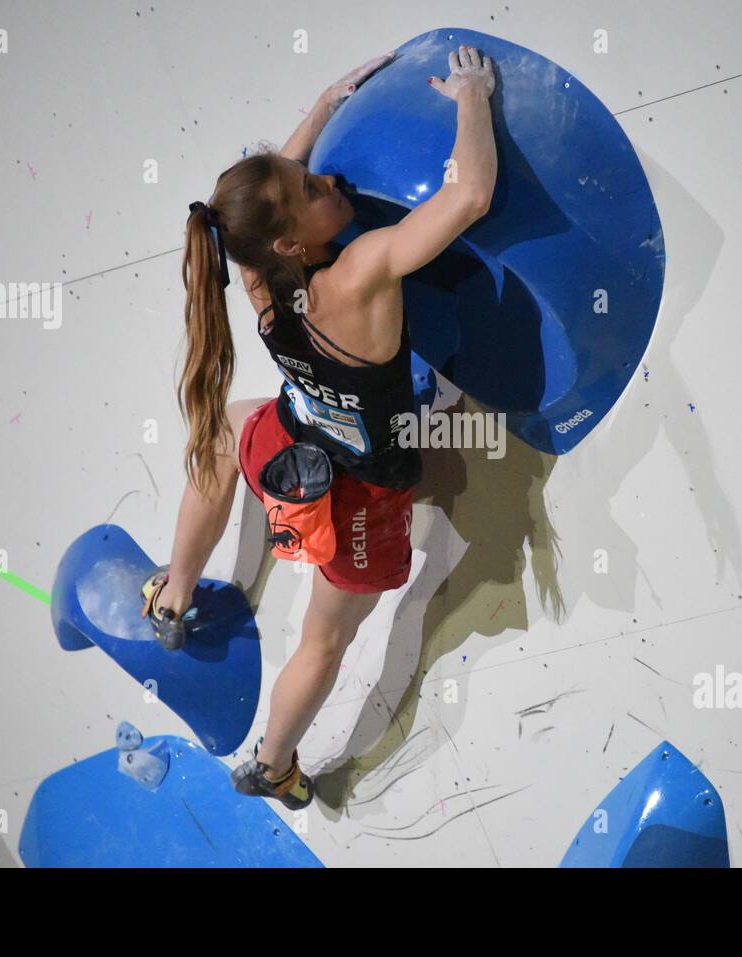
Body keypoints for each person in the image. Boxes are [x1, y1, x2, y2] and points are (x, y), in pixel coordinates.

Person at [140, 45, 498, 809]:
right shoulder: (361, 270)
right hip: (361, 495)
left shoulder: (259, 277)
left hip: (291, 440)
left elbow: (254, 208)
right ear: (292, 241)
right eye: (315, 189)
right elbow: (469, 195)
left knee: (219, 434)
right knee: (324, 639)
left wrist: (324, 103)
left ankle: (172, 595)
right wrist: (472, 95)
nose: (330, 179)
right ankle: (272, 765)